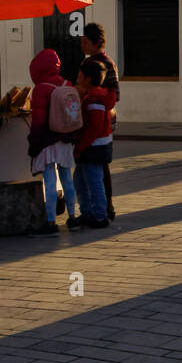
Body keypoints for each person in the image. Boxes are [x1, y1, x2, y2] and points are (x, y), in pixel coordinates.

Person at [27, 48, 77, 236]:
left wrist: (34, 142)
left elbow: (38, 121)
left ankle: (50, 221)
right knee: (67, 179)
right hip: (65, 140)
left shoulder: (40, 89)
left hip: (48, 141)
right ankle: (72, 217)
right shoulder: (67, 83)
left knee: (49, 180)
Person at [80, 23, 119, 220]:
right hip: (101, 118)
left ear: (95, 42)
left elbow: (114, 94)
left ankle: (103, 208)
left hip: (100, 119)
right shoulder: (95, 61)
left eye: (85, 41)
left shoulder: (102, 64)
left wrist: (92, 97)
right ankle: (101, 207)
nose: (82, 45)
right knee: (98, 167)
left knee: (98, 168)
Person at [74, 61, 113, 229]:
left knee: (93, 180)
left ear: (88, 79)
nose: (77, 79)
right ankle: (87, 212)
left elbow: (94, 128)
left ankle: (99, 215)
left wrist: (80, 147)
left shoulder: (95, 99)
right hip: (93, 146)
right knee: (81, 180)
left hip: (94, 148)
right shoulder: (91, 97)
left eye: (80, 76)